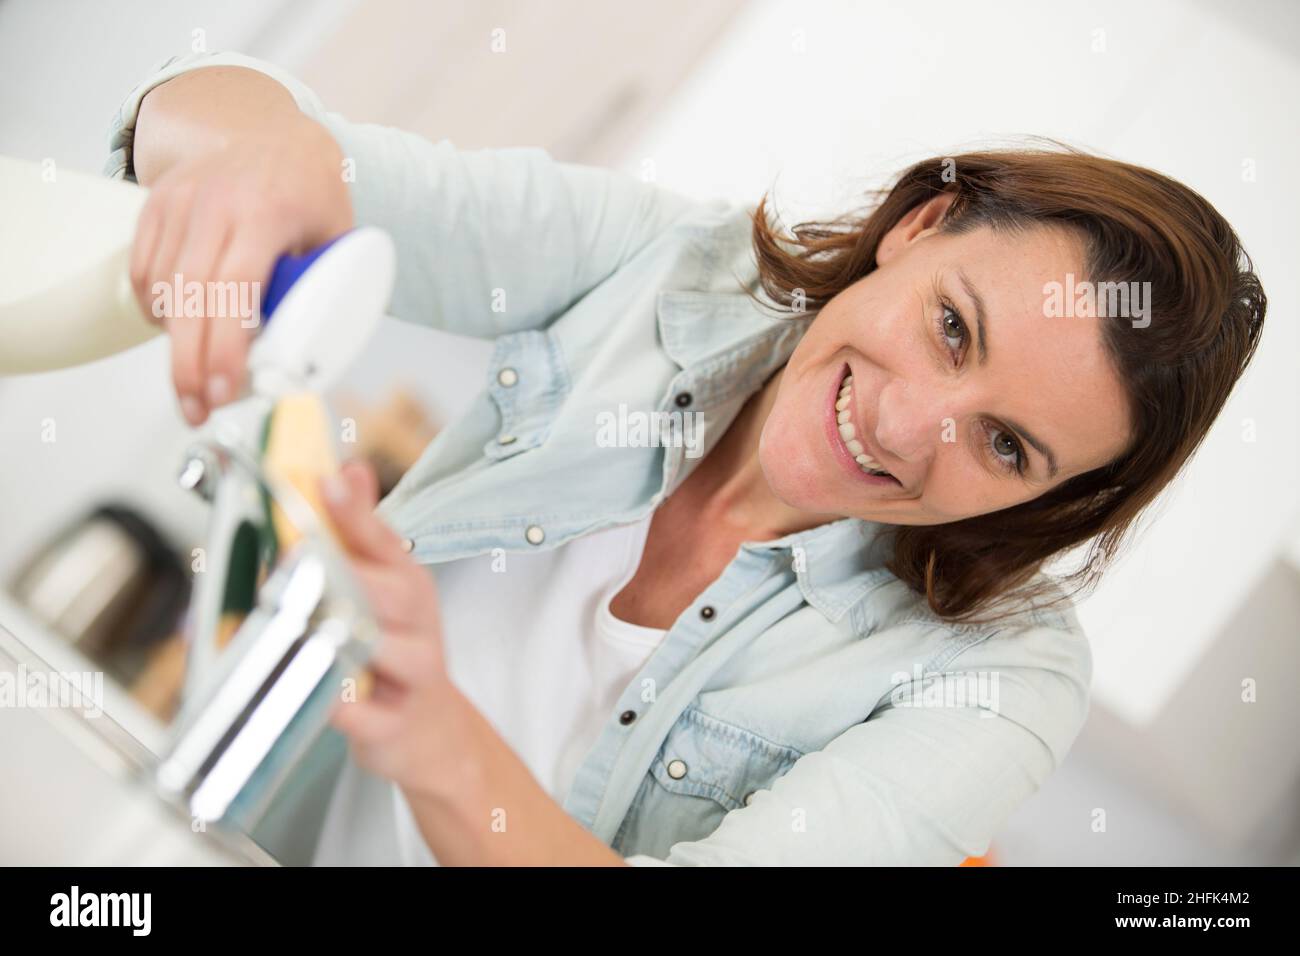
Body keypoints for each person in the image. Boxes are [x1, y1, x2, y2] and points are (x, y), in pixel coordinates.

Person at [107, 50, 1266, 865]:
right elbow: (243, 130)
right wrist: (264, 158)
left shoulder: (1000, 678)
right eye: (952, 324)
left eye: (1007, 444)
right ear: (919, 227)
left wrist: (435, 734)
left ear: (1057, 495)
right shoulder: (661, 273)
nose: (908, 426)